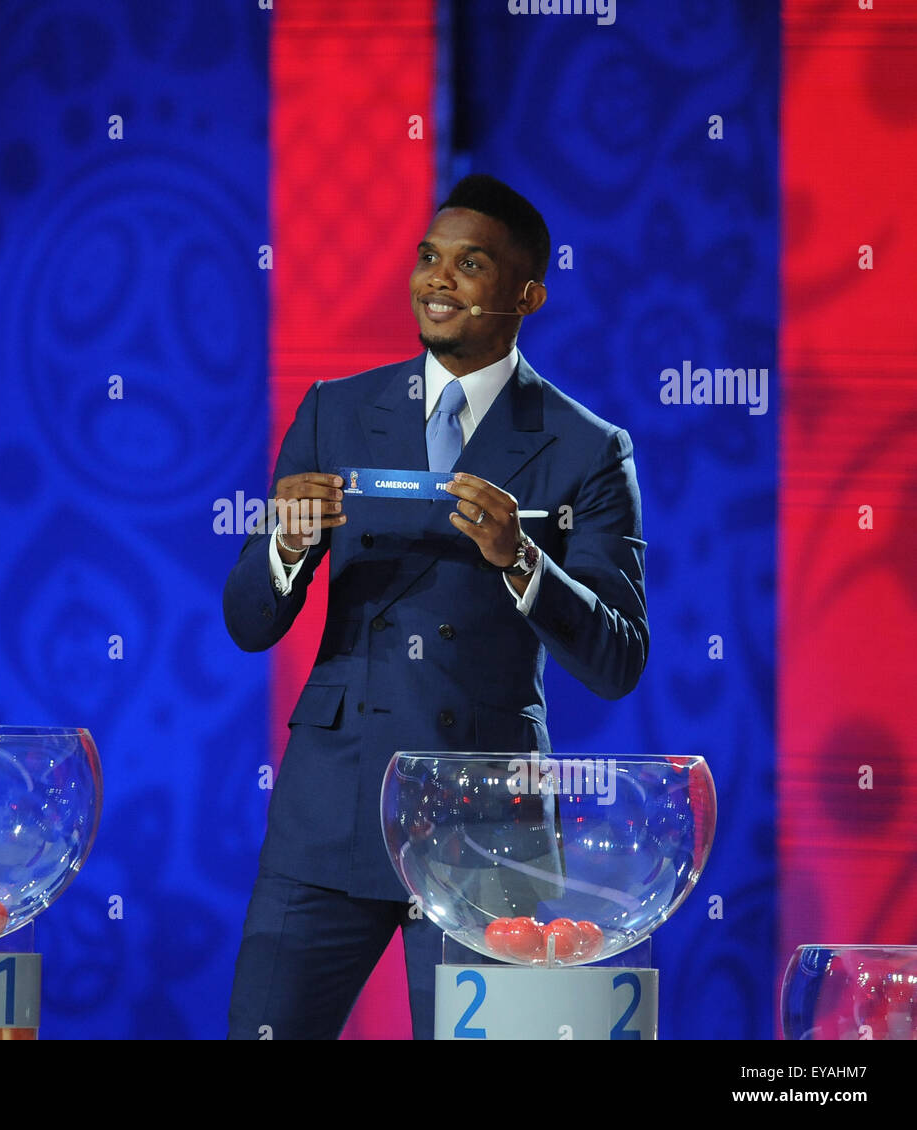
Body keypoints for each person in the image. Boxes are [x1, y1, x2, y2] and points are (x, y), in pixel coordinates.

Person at [222, 174, 648, 1039]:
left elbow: (618, 659)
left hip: (491, 828)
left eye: (470, 264)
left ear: (528, 295)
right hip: (329, 813)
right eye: (429, 258)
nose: (438, 280)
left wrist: (521, 559)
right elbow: (247, 623)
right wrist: (286, 547)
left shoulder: (590, 448)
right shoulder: (334, 411)